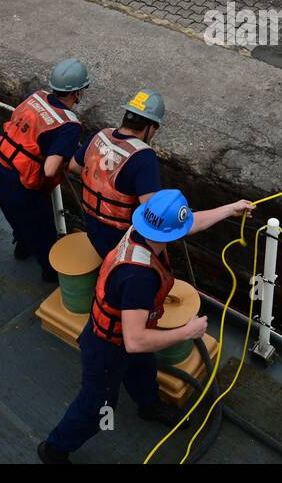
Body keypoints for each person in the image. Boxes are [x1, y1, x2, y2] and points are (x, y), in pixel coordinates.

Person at [40, 188, 254, 464]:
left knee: (143, 371)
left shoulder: (143, 231)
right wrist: (188, 332)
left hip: (125, 331)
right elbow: (135, 341)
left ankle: (149, 406)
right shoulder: (139, 277)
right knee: (97, 407)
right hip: (108, 347)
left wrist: (229, 209)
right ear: (169, 233)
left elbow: (189, 224)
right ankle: (54, 450)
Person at [0, 58, 88, 281]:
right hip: (21, 185)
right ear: (77, 94)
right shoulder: (69, 125)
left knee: (15, 217)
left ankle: (22, 247)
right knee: (42, 230)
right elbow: (51, 170)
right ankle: (50, 273)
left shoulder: (36, 96)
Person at [77, 90, 165, 258]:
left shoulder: (101, 135)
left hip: (91, 222)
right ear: (151, 126)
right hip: (120, 237)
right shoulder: (144, 156)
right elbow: (151, 211)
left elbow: (74, 166)